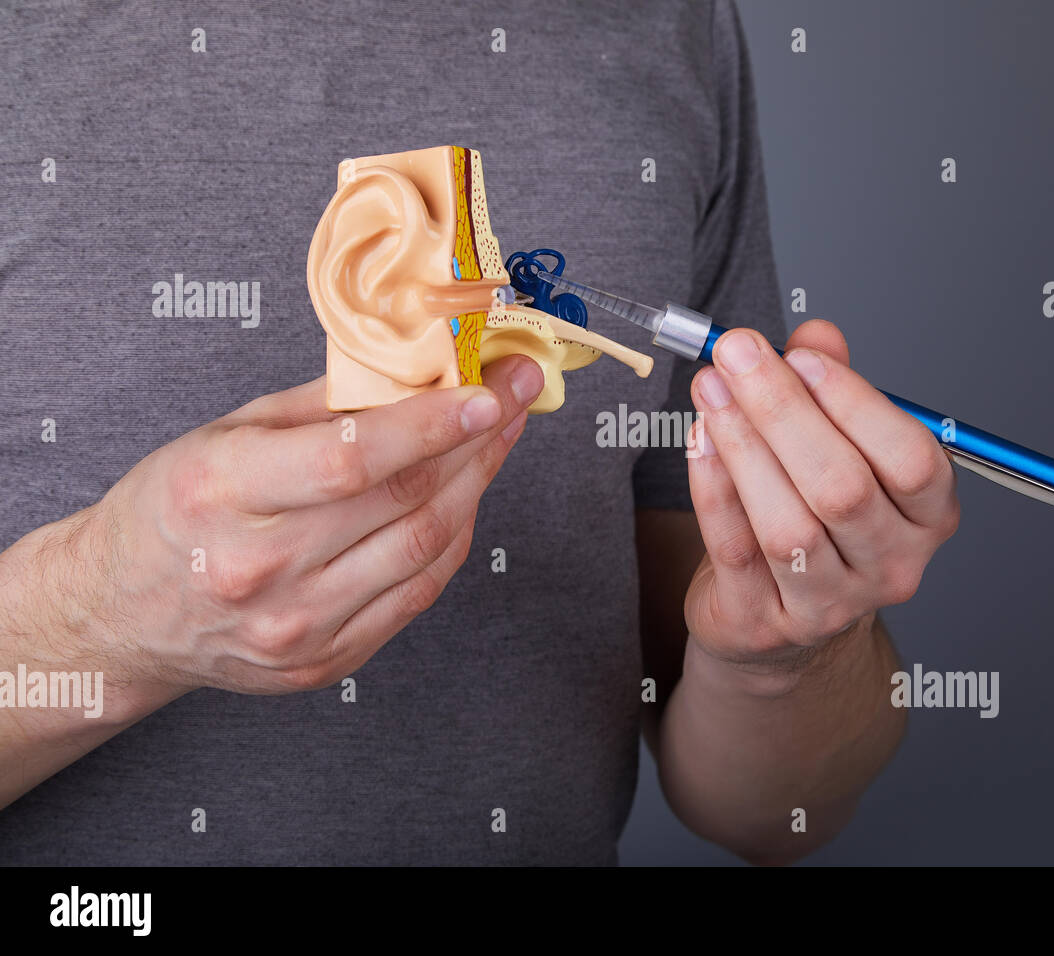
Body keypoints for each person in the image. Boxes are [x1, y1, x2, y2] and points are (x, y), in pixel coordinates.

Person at [0, 0, 958, 865]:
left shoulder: (667, 23)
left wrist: (789, 653)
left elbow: (771, 816)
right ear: (367, 263)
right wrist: (99, 620)